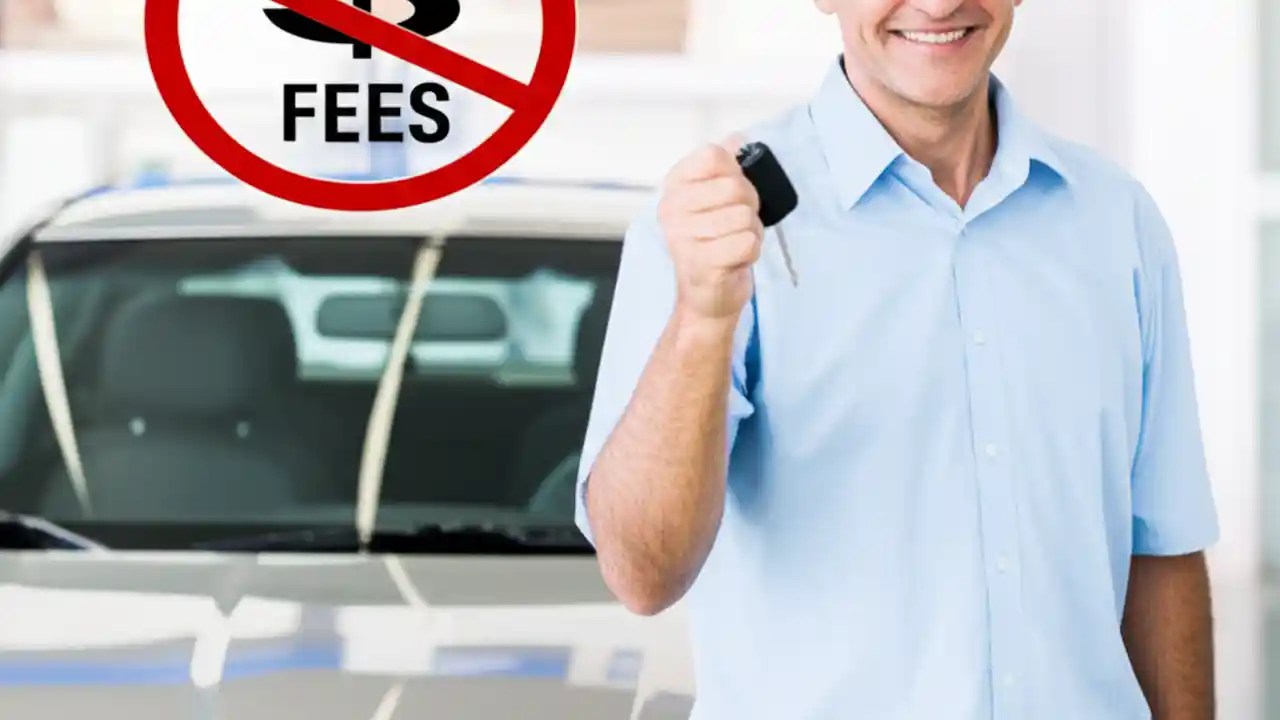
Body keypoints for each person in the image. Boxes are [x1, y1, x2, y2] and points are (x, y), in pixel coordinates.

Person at [575, 0, 1219, 718]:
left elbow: (1160, 550)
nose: (940, 4)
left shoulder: (1117, 221)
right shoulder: (714, 230)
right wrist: (703, 318)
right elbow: (642, 574)